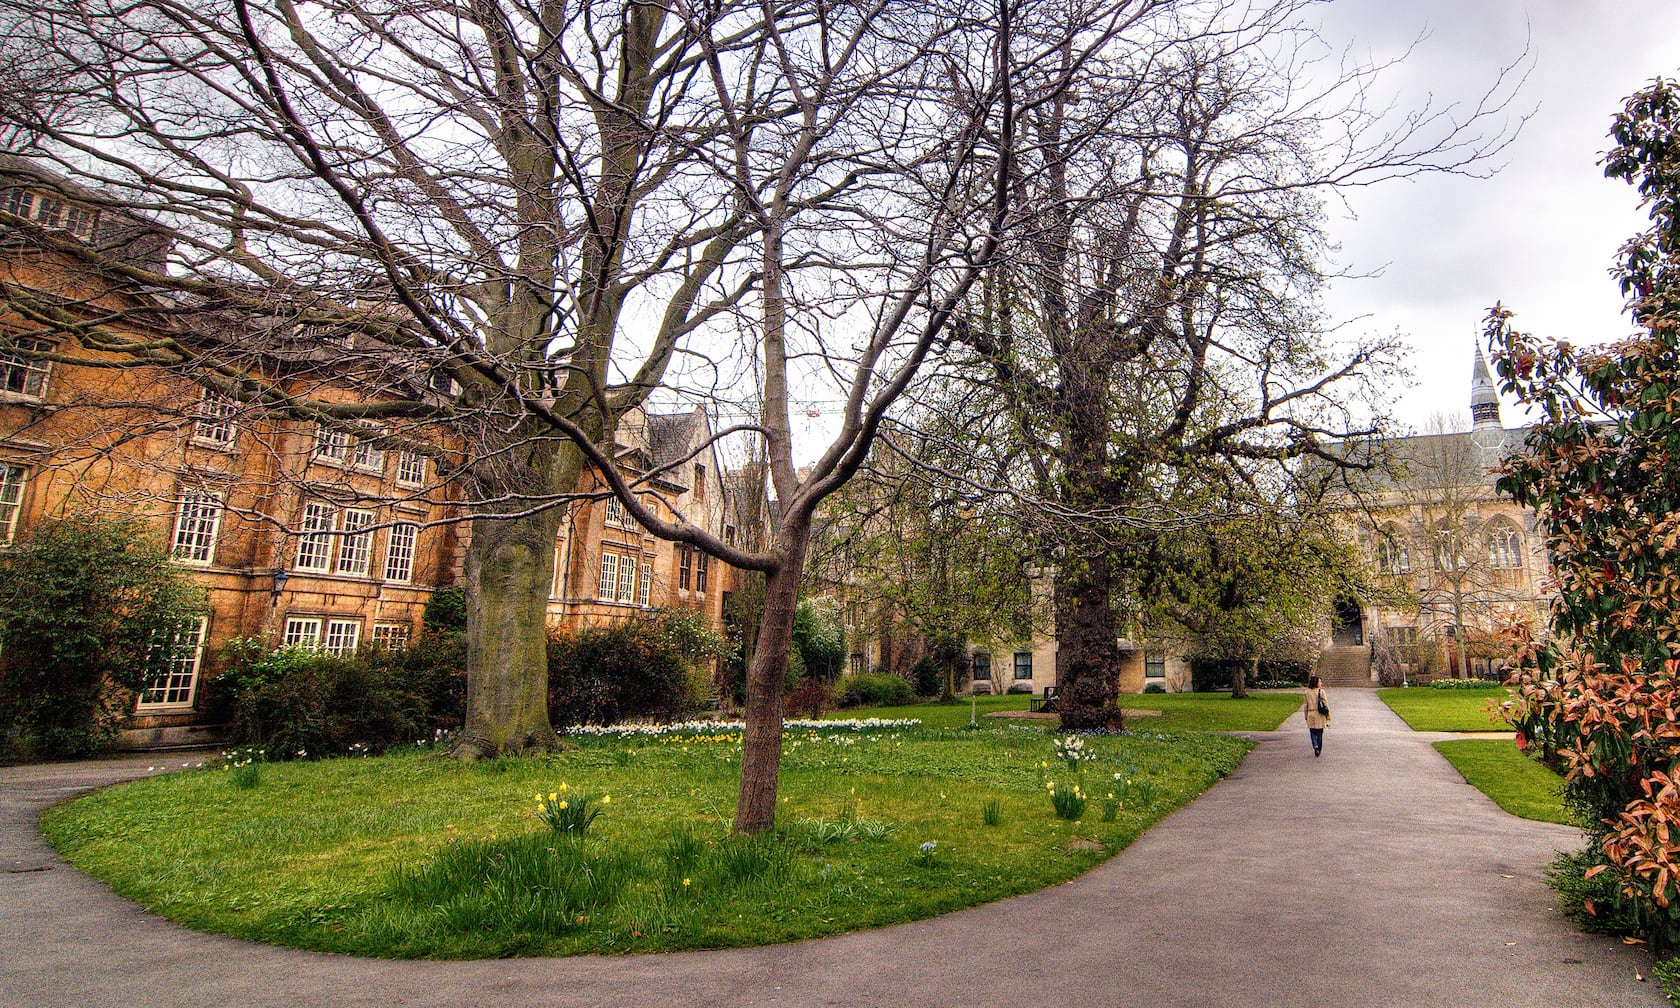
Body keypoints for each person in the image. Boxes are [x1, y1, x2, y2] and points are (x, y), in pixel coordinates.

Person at [1302, 674, 1329, 757]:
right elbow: (1325, 704)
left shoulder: (1307, 692)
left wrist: (1306, 715)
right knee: (1319, 733)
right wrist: (1328, 715)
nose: (1321, 683)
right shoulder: (1321, 692)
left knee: (1312, 732)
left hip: (1311, 713)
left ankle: (1315, 746)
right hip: (1319, 714)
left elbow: (1305, 705)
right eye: (1320, 682)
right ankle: (1318, 748)